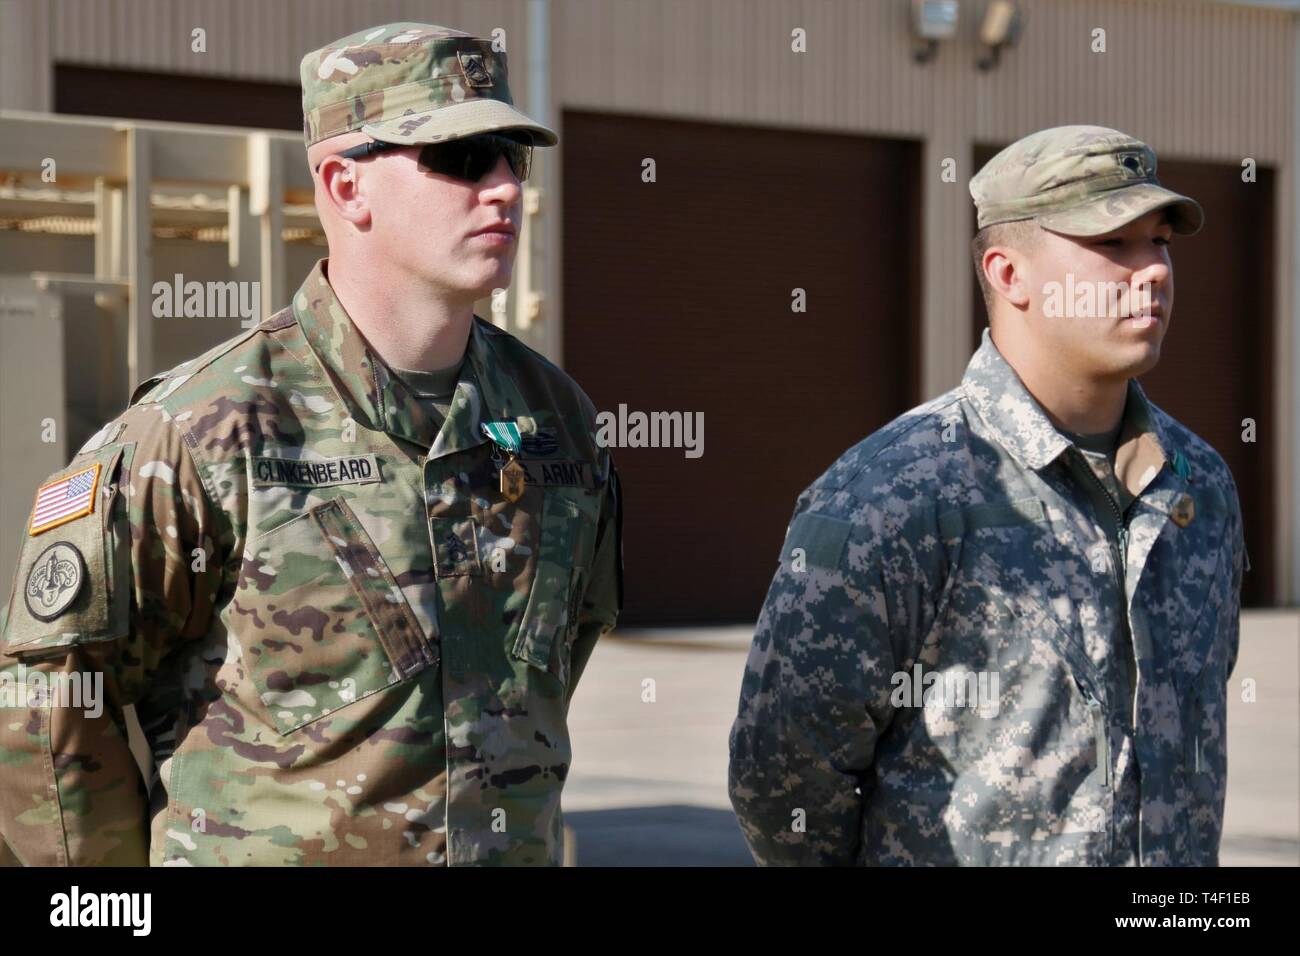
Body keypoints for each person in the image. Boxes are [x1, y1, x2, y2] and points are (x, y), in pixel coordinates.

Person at [0, 22, 622, 867]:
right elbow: (52, 709)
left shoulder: (558, 423)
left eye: (515, 155)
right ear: (344, 183)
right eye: (465, 157)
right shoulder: (199, 433)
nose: (507, 187)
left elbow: (553, 669)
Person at [728, 125, 1246, 866]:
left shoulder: (1198, 484)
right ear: (1009, 274)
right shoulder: (894, 495)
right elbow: (782, 783)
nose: (1155, 271)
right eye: (1114, 244)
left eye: (1160, 241)